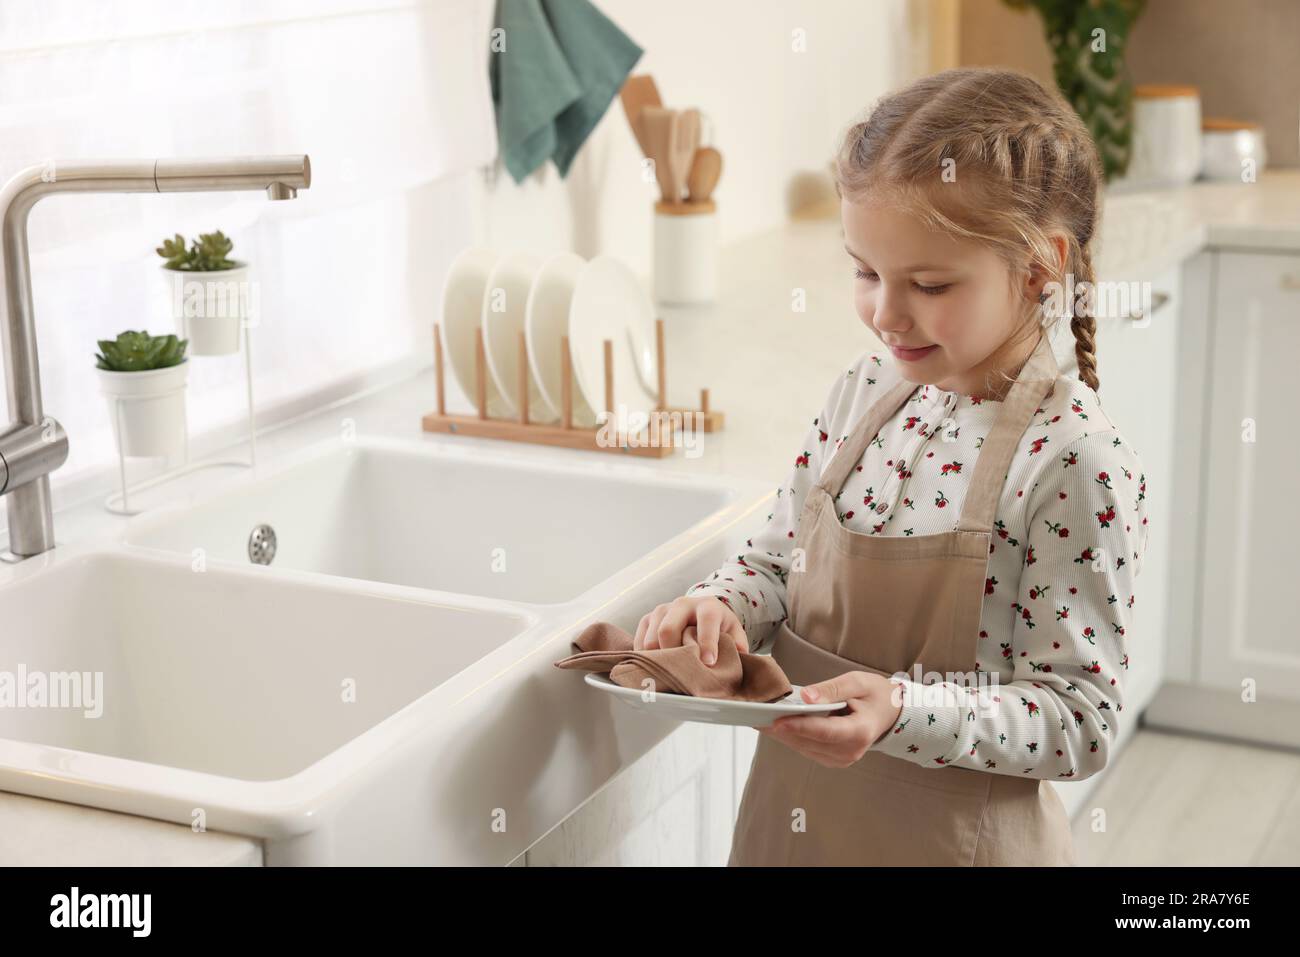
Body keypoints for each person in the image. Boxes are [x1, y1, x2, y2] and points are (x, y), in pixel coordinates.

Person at [634, 67, 1149, 866]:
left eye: (930, 283)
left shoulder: (1072, 458)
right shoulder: (866, 389)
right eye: (866, 272)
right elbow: (779, 557)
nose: (884, 313)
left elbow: (1078, 715)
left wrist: (902, 709)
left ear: (1040, 270)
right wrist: (723, 606)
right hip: (792, 833)